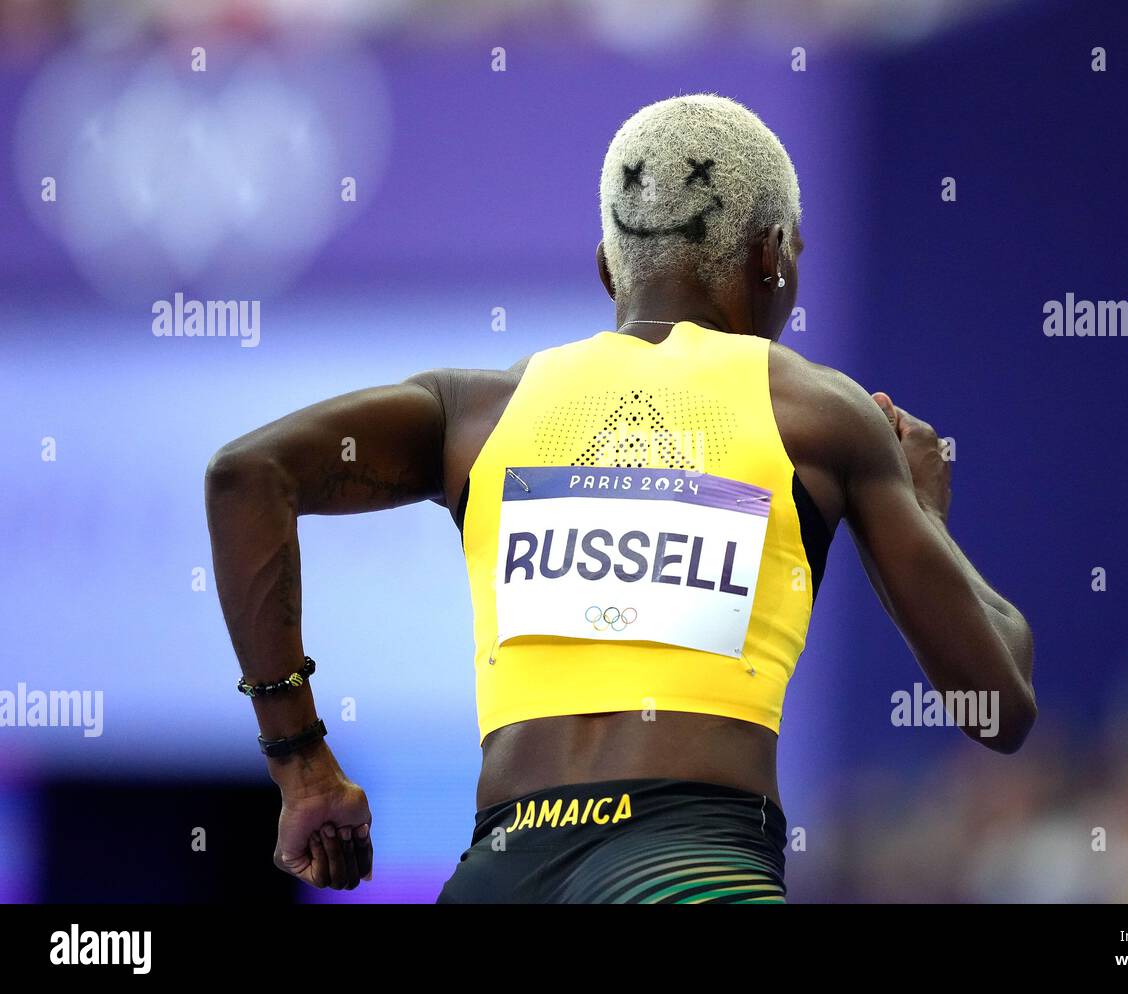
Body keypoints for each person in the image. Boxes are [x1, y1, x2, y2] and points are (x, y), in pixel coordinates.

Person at [204, 94, 1035, 903]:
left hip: (503, 869)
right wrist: (925, 514)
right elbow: (998, 706)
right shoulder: (815, 412)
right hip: (687, 867)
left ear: (607, 265)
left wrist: (301, 761)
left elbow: (246, 474)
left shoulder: (479, 412)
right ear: (775, 254)